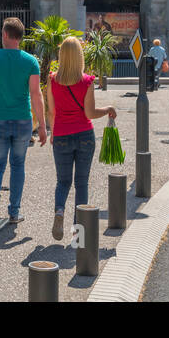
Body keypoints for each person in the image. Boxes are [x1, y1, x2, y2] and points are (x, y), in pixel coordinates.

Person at [0, 16, 46, 234]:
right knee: (18, 165)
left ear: (4, 34)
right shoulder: (31, 61)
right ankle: (14, 212)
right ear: (20, 37)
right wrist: (42, 124)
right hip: (23, 120)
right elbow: (36, 94)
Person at [46, 37, 117, 241]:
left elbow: (52, 112)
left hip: (61, 135)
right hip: (84, 135)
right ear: (79, 57)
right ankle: (79, 234)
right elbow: (90, 113)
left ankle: (59, 212)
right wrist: (108, 109)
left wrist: (53, 132)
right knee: (82, 183)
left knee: (63, 181)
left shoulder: (52, 80)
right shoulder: (87, 81)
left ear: (62, 56)